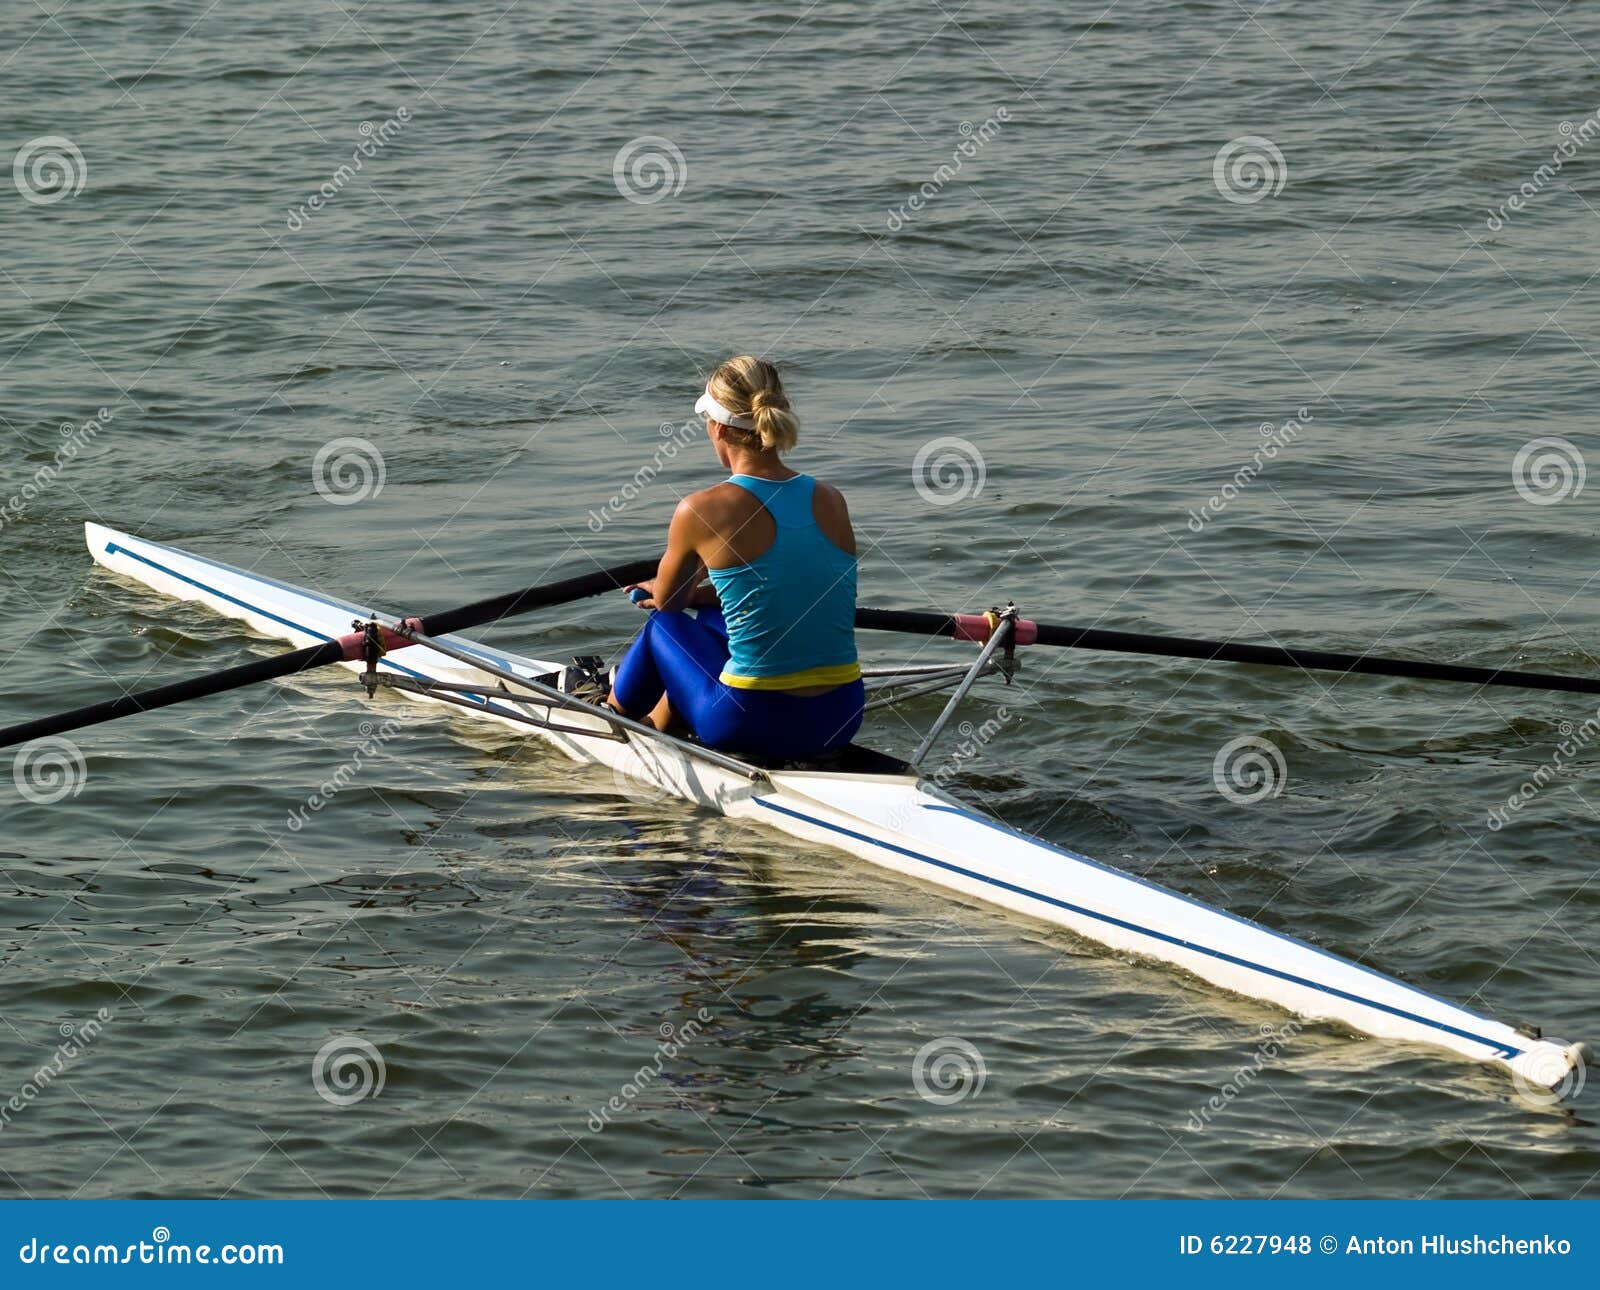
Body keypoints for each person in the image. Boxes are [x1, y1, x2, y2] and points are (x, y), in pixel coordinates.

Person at [606, 355, 864, 762]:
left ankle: (612, 717)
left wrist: (668, 589)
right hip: (841, 716)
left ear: (719, 427)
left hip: (746, 721)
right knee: (713, 618)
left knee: (663, 627)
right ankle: (662, 717)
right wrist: (705, 592)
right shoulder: (831, 498)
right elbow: (782, 587)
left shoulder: (700, 509)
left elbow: (670, 603)